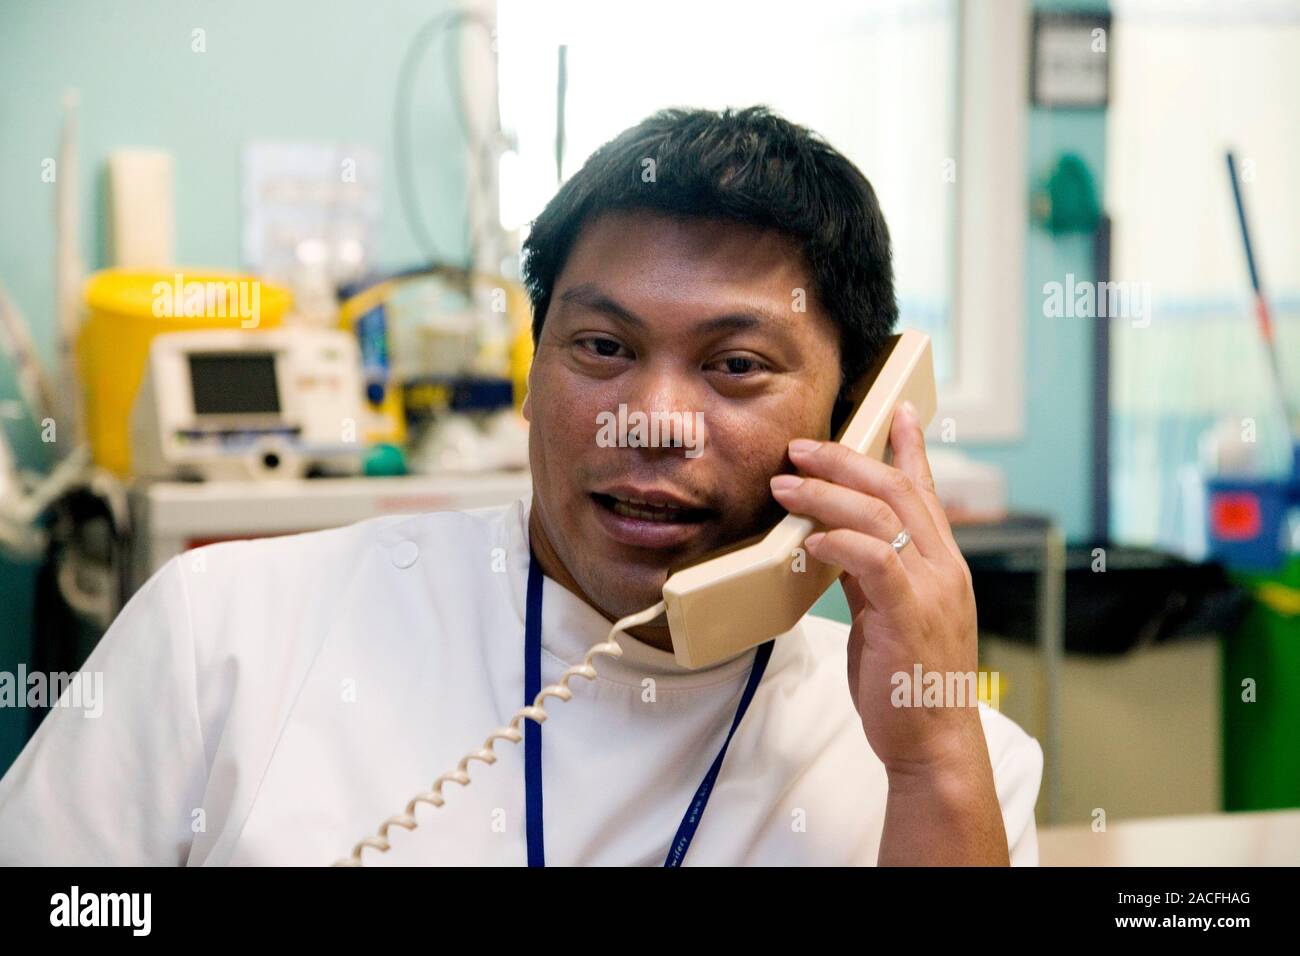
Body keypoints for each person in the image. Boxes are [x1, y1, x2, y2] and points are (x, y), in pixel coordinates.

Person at [0, 107, 1041, 866]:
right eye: (602, 346)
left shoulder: (946, 760)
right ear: (533, 373)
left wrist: (933, 762)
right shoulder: (225, 634)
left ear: (857, 412)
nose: (652, 420)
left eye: (735, 364)